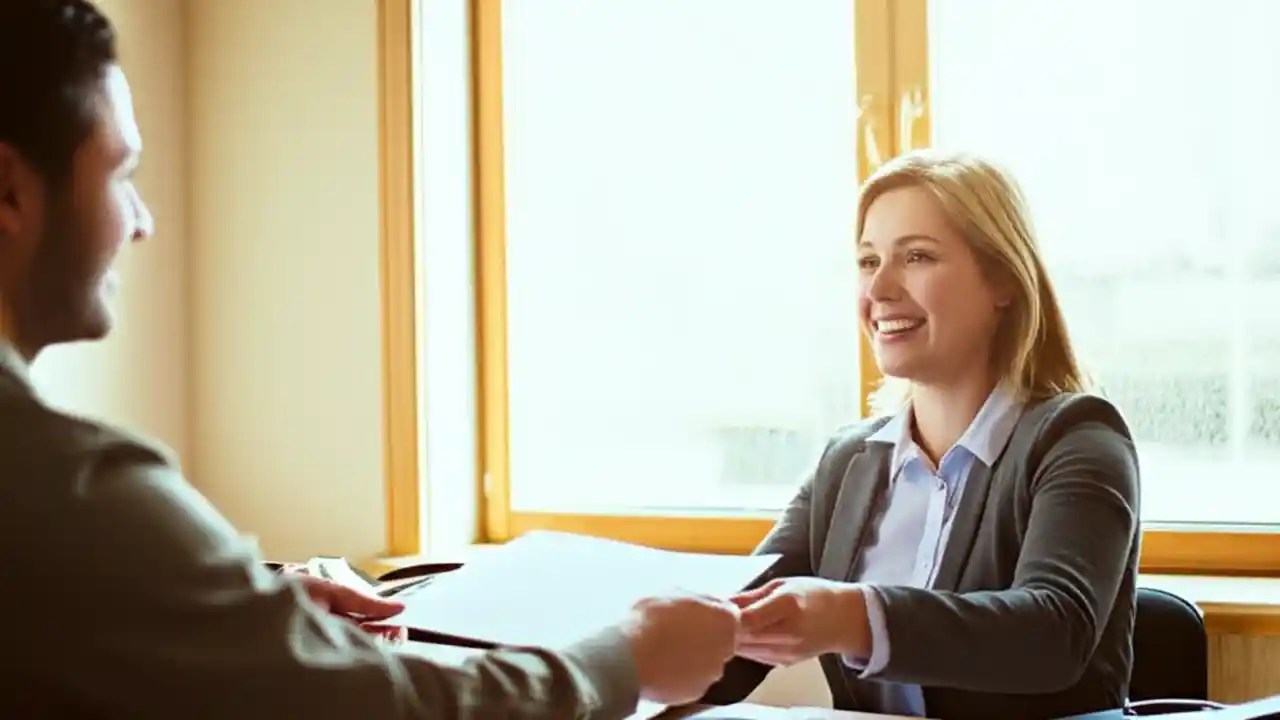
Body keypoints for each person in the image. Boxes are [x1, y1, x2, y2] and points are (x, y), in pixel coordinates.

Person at [0, 1, 740, 717]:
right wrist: (624, 662)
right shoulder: (67, 487)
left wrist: (243, 611)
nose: (142, 222)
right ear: (9, 191)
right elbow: (389, 710)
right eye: (121, 175)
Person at [702, 150, 1141, 720]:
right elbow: (745, 624)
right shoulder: (848, 461)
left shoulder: (1076, 438)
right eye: (866, 261)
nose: (879, 289)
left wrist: (851, 615)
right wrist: (621, 654)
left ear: (1003, 280)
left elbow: (1053, 633)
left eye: (916, 256)